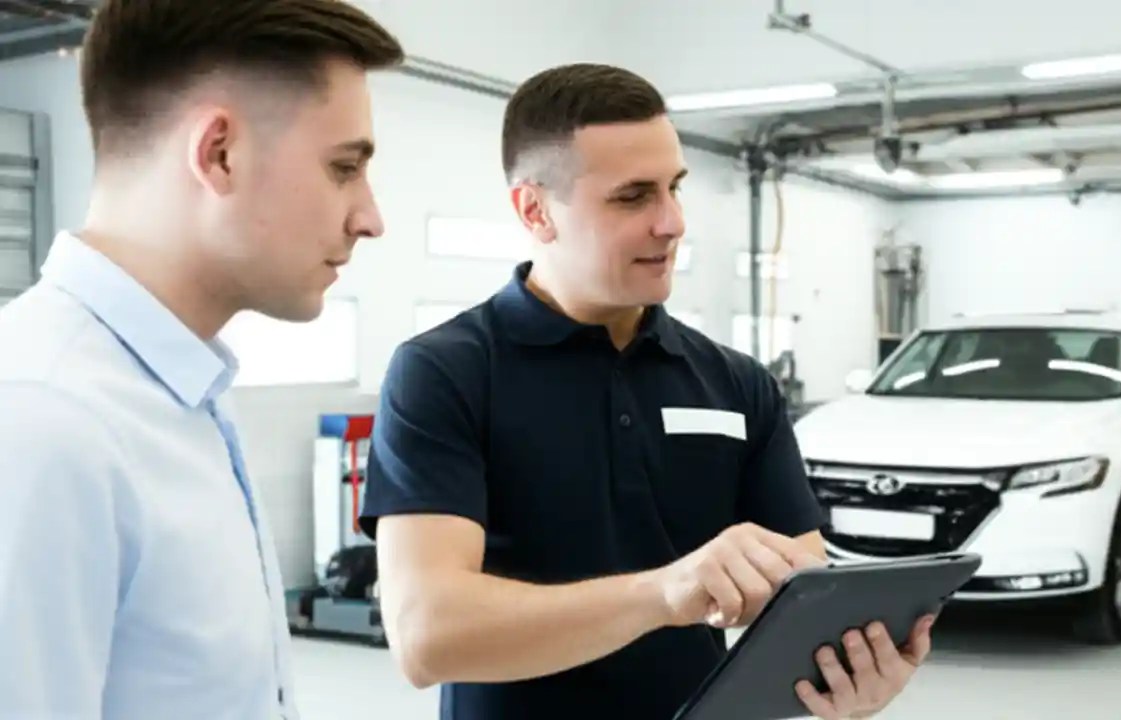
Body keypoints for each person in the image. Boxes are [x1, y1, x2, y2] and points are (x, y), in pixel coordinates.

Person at [361, 63, 934, 720]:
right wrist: (666, 593)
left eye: (674, 188)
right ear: (534, 209)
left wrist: (845, 674)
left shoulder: (737, 385)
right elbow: (427, 636)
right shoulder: (445, 374)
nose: (672, 223)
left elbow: (803, 595)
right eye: (633, 197)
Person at [0, 2, 402, 718]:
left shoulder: (182, 395)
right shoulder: (43, 418)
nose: (369, 217)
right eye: (344, 168)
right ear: (219, 153)